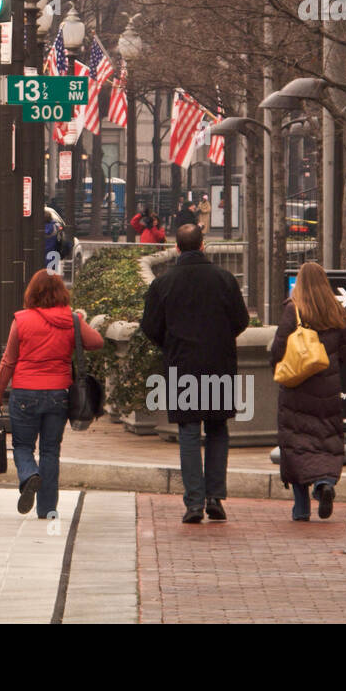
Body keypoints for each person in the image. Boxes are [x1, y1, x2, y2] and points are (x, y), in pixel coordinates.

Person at [141, 223, 250, 523]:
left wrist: (171, 343)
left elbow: (150, 327)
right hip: (219, 364)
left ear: (177, 248)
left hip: (182, 365)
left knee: (188, 432)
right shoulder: (225, 279)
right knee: (217, 429)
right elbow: (241, 321)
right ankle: (215, 496)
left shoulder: (163, 284)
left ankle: (194, 503)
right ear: (203, 246)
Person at [0, 269, 104, 518]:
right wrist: (80, 320)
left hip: (24, 394)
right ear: (62, 292)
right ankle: (47, 508)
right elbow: (96, 342)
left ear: (32, 292)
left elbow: (8, 361)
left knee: (22, 446)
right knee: (51, 451)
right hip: (59, 394)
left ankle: (30, 474)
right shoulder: (72, 320)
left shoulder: (21, 320)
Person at [270, 262, 346, 521]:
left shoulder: (293, 310)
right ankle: (324, 484)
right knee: (326, 439)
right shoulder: (335, 311)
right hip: (327, 389)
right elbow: (345, 353)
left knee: (296, 443)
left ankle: (301, 507)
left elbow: (278, 348)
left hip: (297, 387)